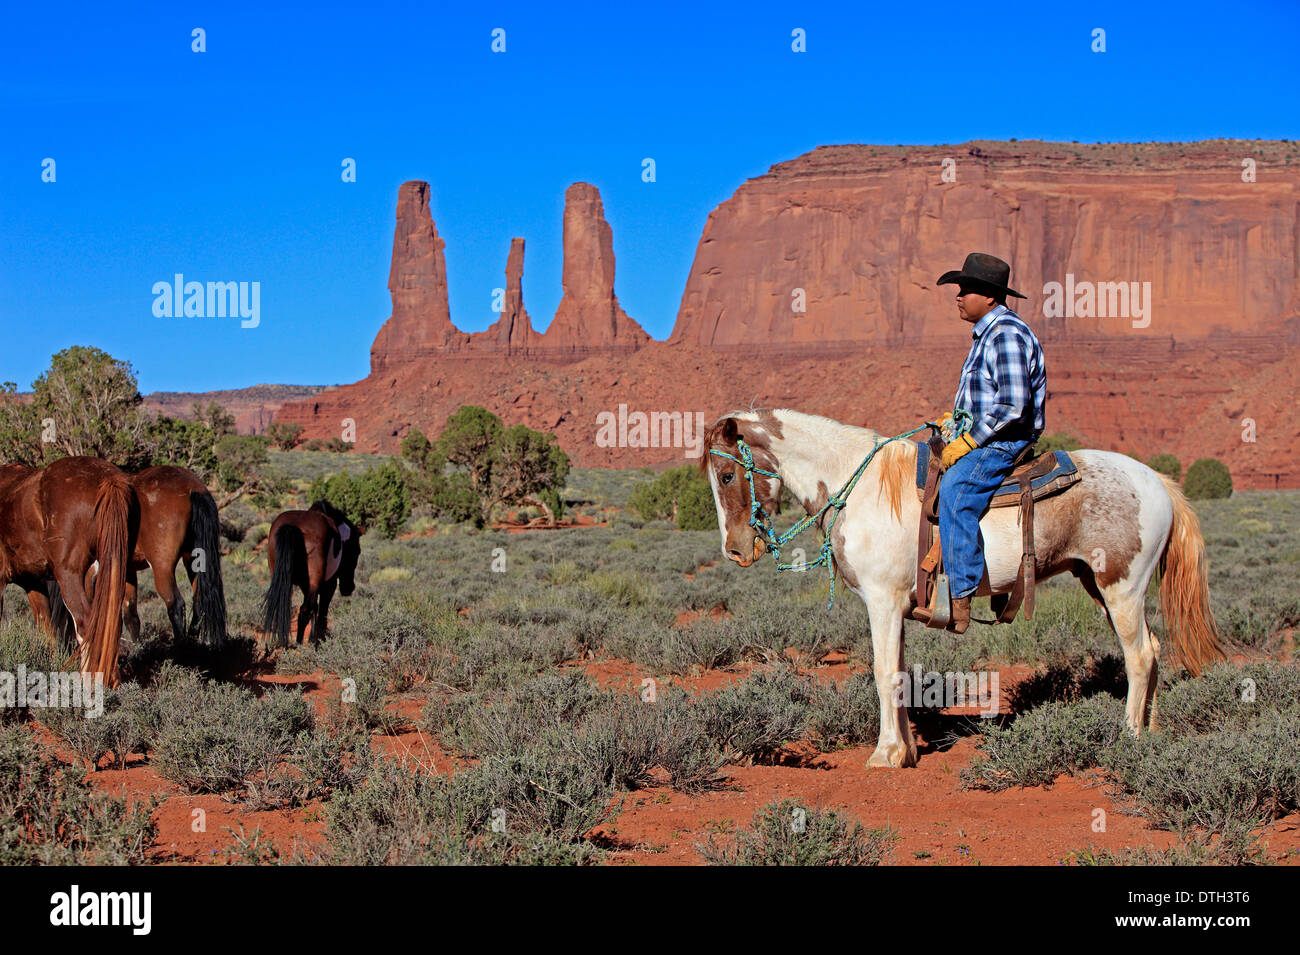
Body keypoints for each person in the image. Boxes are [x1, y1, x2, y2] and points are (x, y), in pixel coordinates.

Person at [932, 252, 1046, 634]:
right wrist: (955, 423)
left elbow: (1013, 404)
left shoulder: (1006, 334)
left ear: (991, 297)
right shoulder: (987, 333)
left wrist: (968, 441)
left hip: (1004, 442)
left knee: (955, 490)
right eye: (959, 289)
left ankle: (959, 598)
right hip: (986, 436)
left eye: (967, 289)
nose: (959, 296)